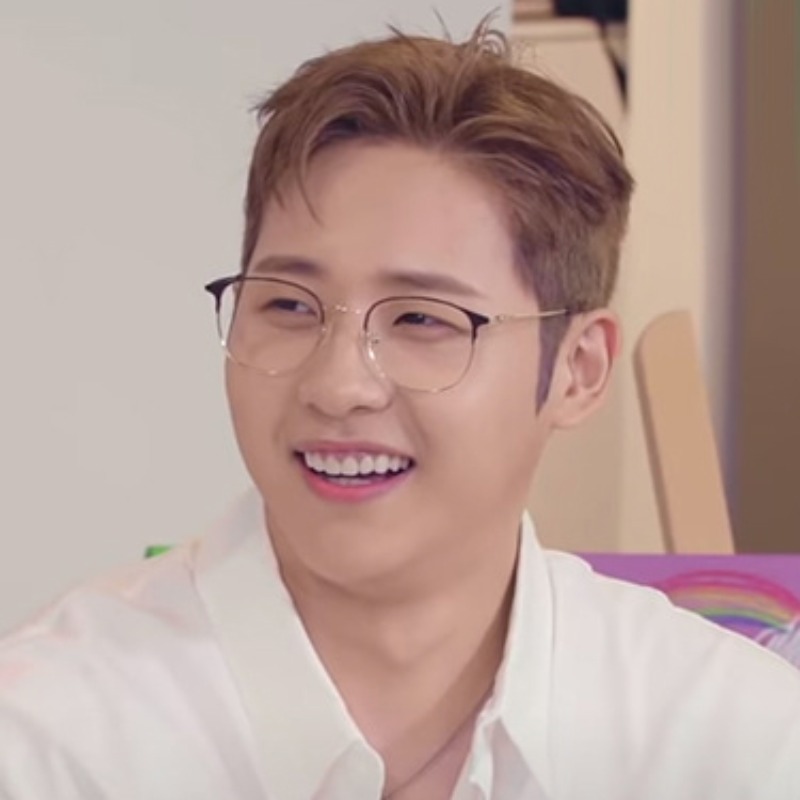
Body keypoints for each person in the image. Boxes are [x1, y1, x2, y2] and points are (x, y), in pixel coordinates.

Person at [1, 18, 799, 800]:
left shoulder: (731, 743)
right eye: (288, 305)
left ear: (578, 371)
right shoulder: (52, 741)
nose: (337, 384)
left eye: (421, 319)